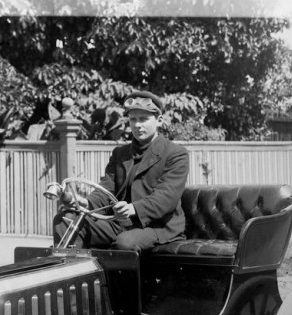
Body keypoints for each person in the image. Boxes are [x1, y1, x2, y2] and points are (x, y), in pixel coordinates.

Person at [52, 90, 190, 252]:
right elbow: (106, 190)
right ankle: (73, 274)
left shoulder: (175, 153)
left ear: (159, 121)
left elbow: (166, 197)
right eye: (133, 119)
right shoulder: (120, 153)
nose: (138, 125)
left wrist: (134, 208)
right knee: (65, 220)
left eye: (144, 119)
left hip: (159, 226)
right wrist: (87, 203)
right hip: (120, 224)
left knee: (125, 243)